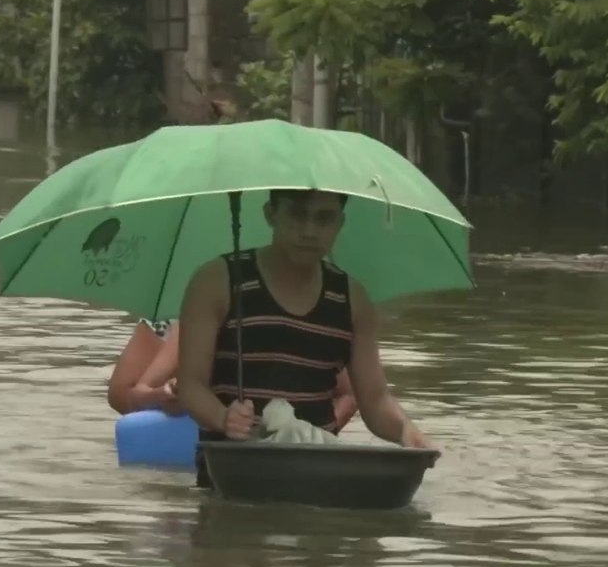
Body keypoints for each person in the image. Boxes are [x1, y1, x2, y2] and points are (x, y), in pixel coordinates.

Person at [175, 188, 432, 487]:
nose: (309, 231)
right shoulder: (217, 281)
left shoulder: (352, 299)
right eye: (297, 214)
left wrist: (406, 431)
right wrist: (222, 418)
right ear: (271, 214)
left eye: (324, 218)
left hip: (319, 472)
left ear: (340, 224)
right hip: (232, 473)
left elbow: (374, 399)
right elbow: (190, 385)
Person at [109, 317, 359, 429]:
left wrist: (313, 439)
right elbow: (129, 395)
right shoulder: (190, 325)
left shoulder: (300, 323)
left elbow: (349, 395)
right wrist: (162, 397)